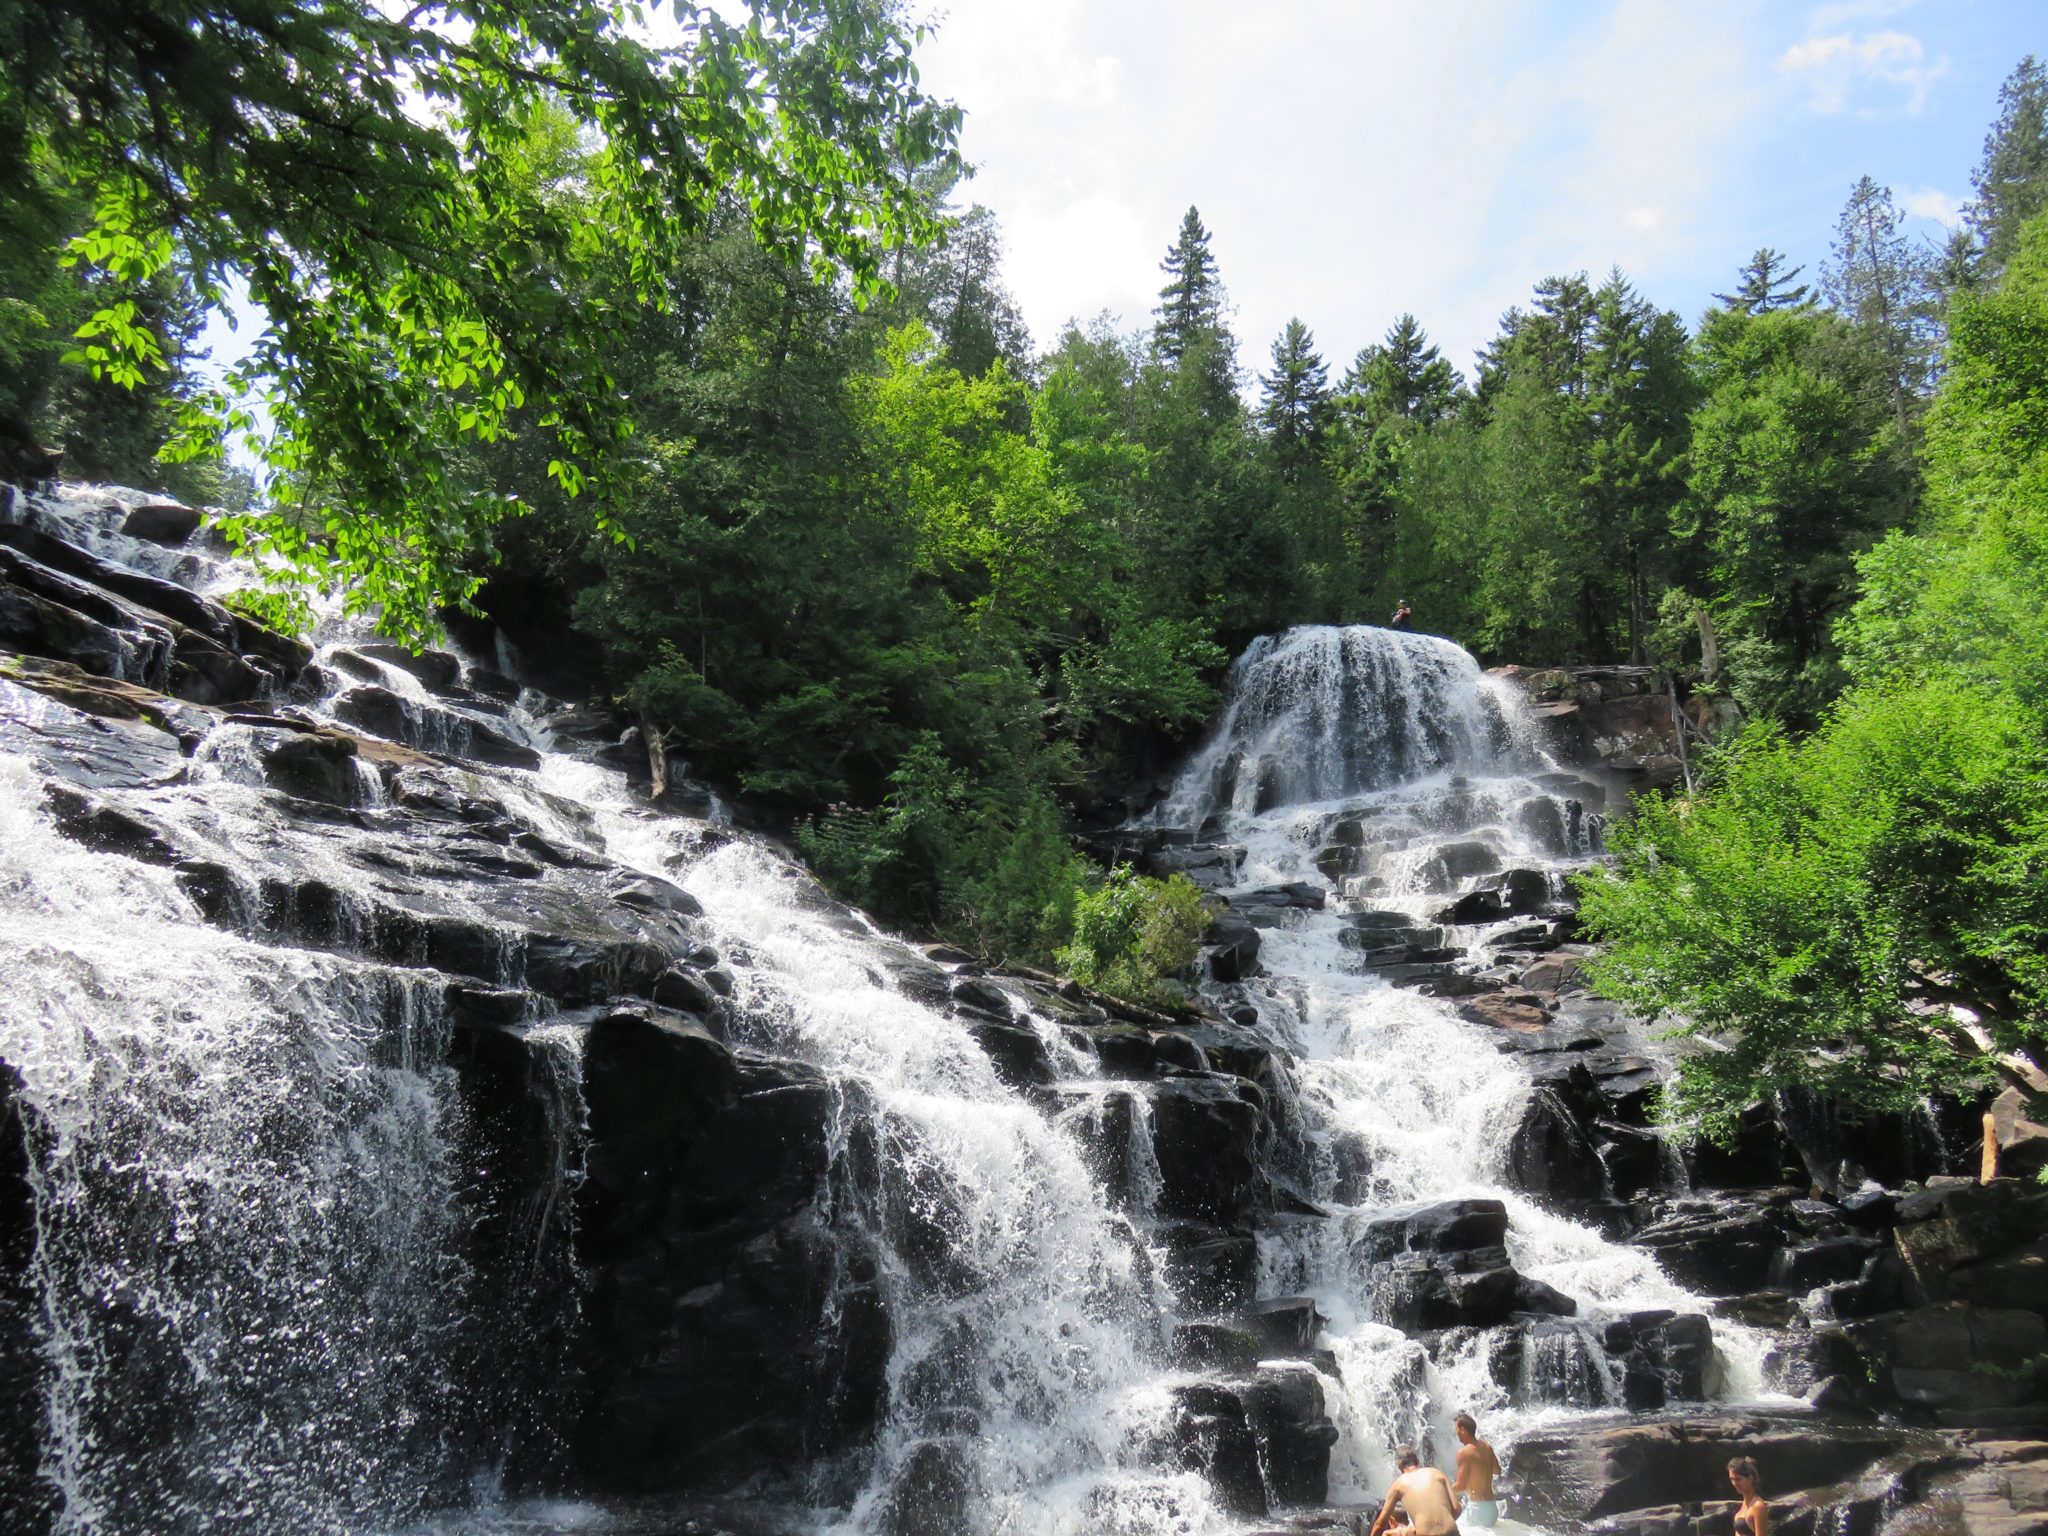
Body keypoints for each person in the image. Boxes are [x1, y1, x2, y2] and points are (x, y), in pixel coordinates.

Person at [1371, 1443, 1461, 1536]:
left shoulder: (1398, 1485)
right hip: (1452, 1532)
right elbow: (1457, 1509)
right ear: (1417, 1461)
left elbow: (1380, 1524)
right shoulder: (1437, 1474)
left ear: (1400, 1466)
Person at [1451, 1412, 1502, 1529]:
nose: (1456, 1433)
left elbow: (1461, 1487)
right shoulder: (1487, 1446)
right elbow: (1497, 1470)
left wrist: (1445, 1489)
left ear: (1462, 1429)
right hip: (1492, 1508)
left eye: (1457, 1429)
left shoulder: (1464, 1453)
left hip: (1478, 1509)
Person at [1728, 1456, 1769, 1536]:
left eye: (1738, 1479)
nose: (1735, 1483)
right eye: (1732, 1479)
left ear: (1750, 1479)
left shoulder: (1758, 1507)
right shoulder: (1744, 1504)